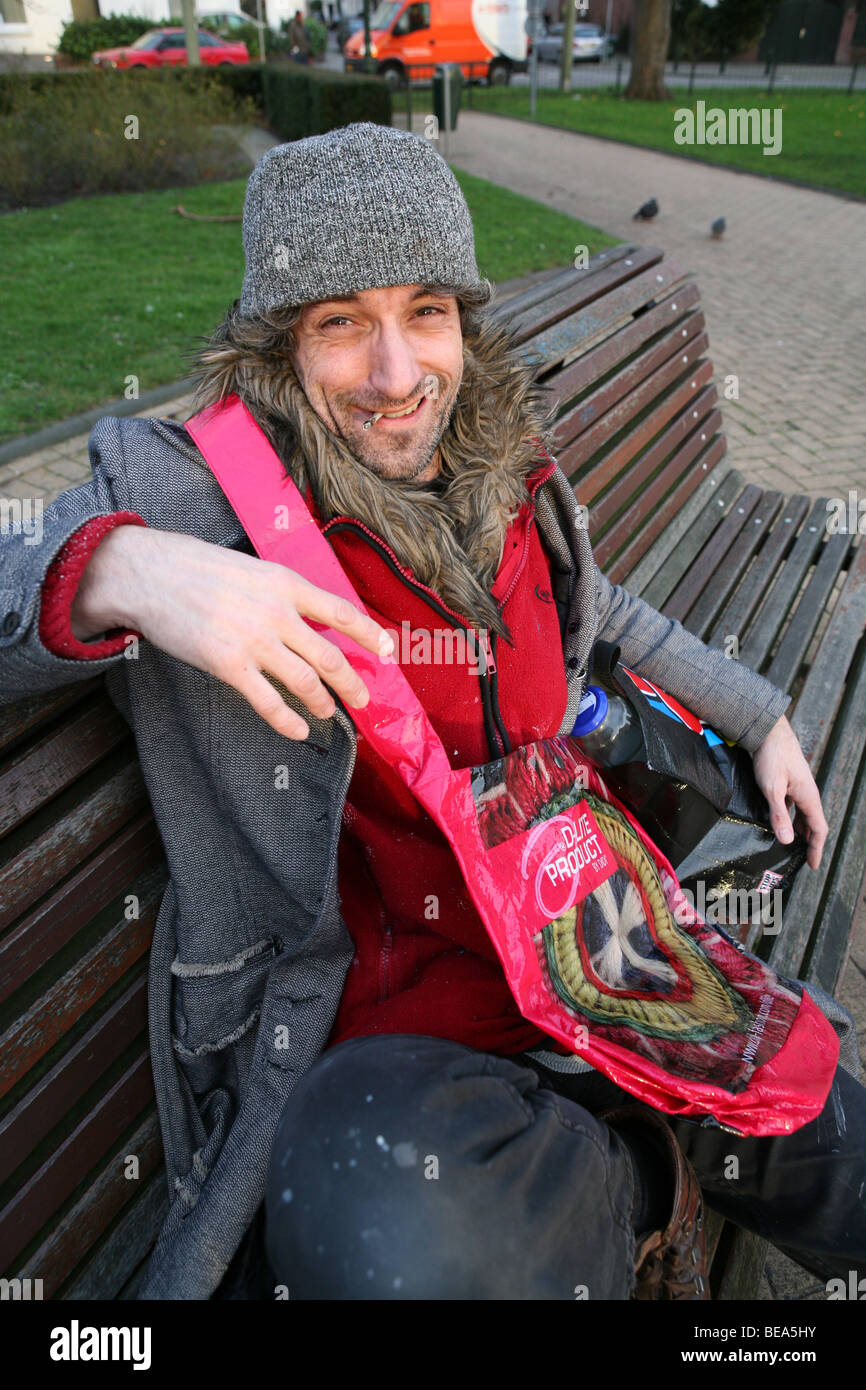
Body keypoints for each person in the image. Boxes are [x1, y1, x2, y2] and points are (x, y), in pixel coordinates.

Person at [1, 122, 862, 1301]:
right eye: (339, 323)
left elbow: (601, 616)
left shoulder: (501, 460)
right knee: (402, 1229)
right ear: (275, 346)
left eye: (427, 311)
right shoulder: (193, 498)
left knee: (823, 1130)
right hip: (397, 1052)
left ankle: (666, 1146)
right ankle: (645, 1178)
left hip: (595, 948)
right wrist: (124, 571)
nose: (399, 374)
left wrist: (757, 715)